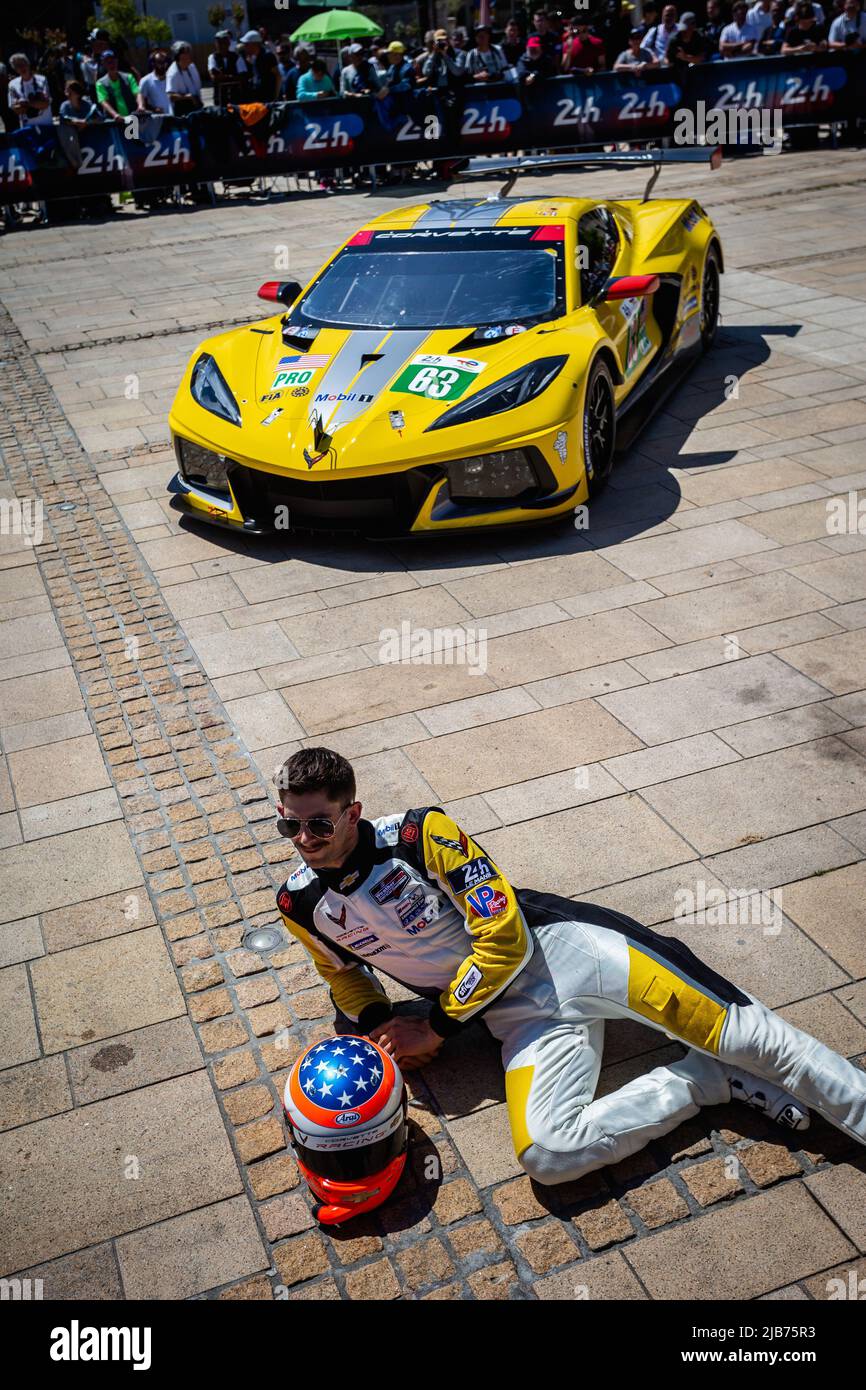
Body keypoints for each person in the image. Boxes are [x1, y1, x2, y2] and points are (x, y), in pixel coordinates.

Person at [273, 748, 866, 1188]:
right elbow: (343, 976)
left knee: (754, 1039)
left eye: (319, 824)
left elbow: (504, 940)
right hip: (520, 1023)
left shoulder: (422, 833)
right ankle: (708, 1081)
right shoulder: (298, 904)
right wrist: (381, 1025)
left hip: (573, 952)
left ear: (353, 812)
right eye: (290, 826)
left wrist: (436, 1027)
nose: (305, 839)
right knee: (548, 1157)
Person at [8, 53, 53, 127]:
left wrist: (25, 103)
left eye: (23, 64)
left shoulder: (42, 79)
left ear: (28, 64)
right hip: (27, 127)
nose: (21, 67)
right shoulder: (12, 84)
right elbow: (16, 109)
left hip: (46, 125)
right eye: (17, 66)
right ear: (15, 69)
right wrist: (36, 103)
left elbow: (45, 104)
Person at [237, 29, 280, 102]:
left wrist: (276, 96)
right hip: (257, 97)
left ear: (255, 44)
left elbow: (278, 76)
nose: (245, 47)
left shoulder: (268, 56)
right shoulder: (253, 58)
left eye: (247, 44)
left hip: (268, 98)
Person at [165, 42, 203, 114]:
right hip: (182, 111)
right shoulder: (172, 73)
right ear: (177, 57)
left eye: (188, 53)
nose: (188, 56)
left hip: (196, 108)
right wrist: (187, 97)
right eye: (184, 54)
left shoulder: (192, 66)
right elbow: (171, 96)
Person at [208, 30, 243, 105]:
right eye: (219, 43)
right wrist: (232, 76)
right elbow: (214, 77)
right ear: (216, 44)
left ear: (229, 43)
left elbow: (242, 76)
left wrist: (223, 76)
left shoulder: (237, 57)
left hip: (235, 97)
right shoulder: (212, 57)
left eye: (224, 42)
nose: (222, 45)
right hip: (220, 97)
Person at [139, 48, 172, 115]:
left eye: (164, 62)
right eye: (159, 62)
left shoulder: (171, 78)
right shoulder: (145, 81)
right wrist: (154, 109)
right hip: (157, 121)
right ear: (153, 64)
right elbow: (142, 104)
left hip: (174, 119)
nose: (162, 65)